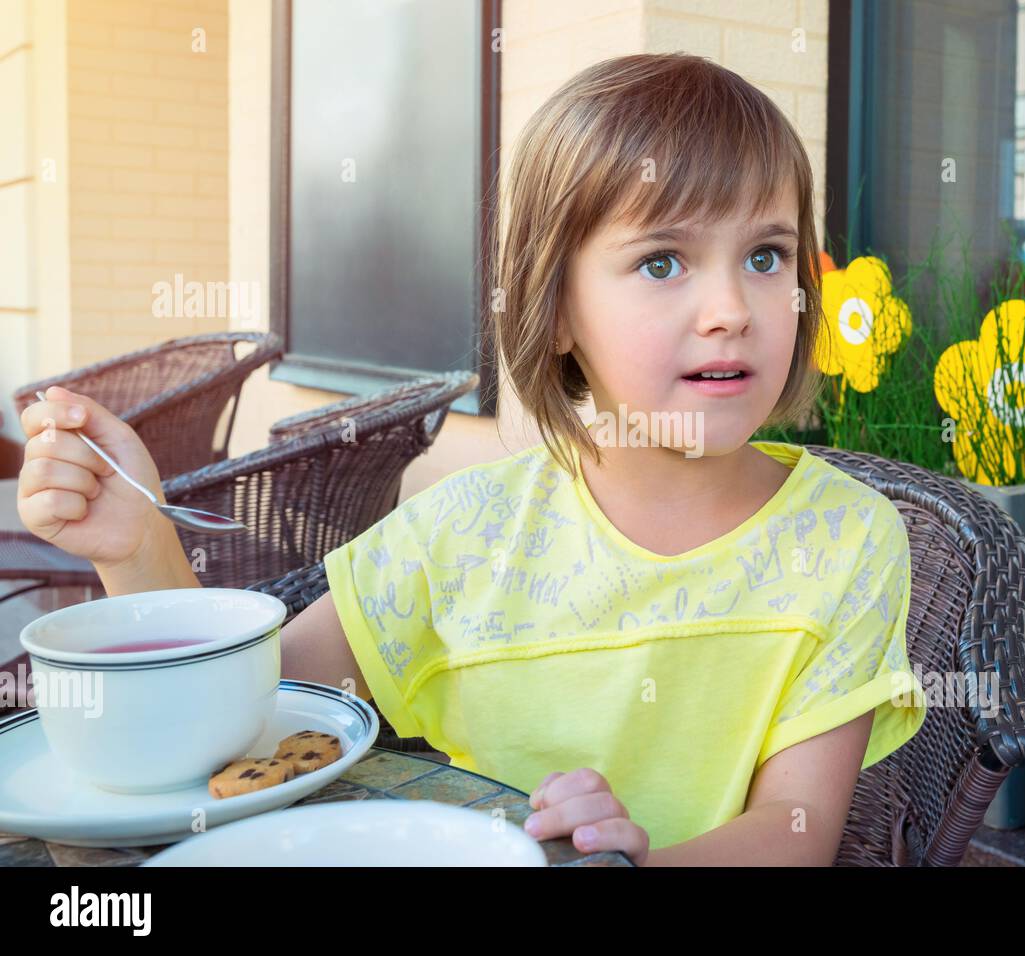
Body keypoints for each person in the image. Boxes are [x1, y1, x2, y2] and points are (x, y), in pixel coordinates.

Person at [16, 53, 926, 866]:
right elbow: (249, 726)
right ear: (557, 308)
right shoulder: (466, 533)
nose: (732, 305)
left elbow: (797, 827)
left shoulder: (844, 538)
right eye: (662, 263)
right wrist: (135, 544)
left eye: (766, 255)